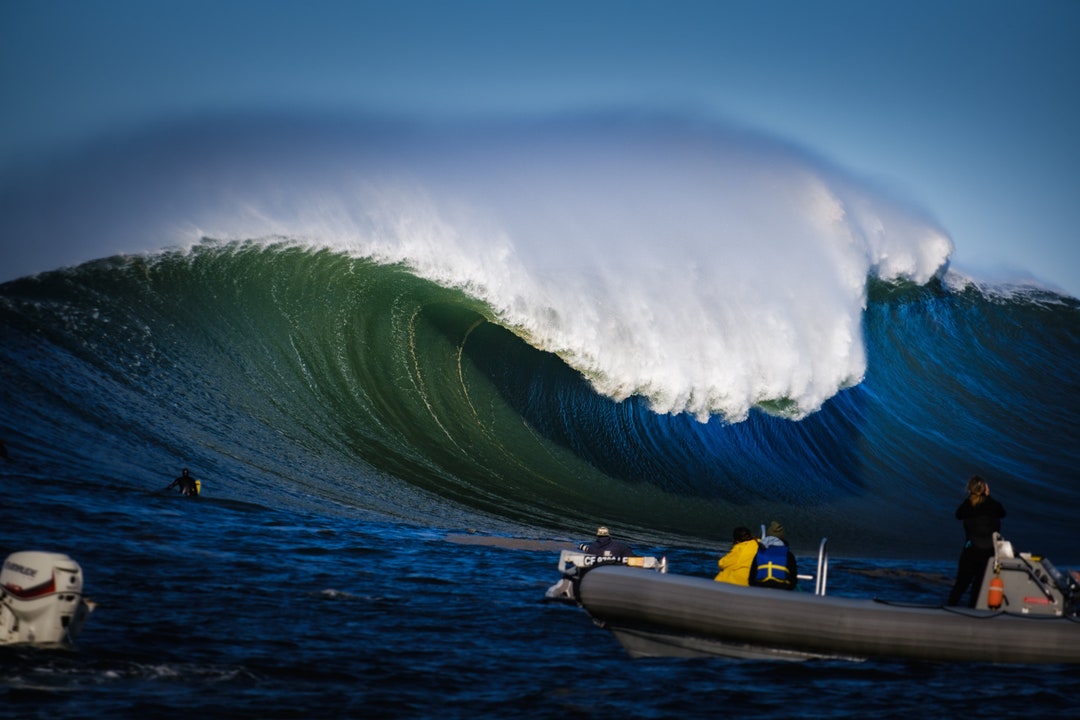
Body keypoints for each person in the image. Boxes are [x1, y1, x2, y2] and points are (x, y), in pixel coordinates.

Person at [947, 475, 1006, 607]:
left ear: (970, 490)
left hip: (971, 549)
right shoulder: (993, 505)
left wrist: (970, 497)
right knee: (978, 585)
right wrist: (987, 496)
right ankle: (972, 612)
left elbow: (958, 515)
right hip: (989, 552)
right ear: (986, 489)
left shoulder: (968, 505)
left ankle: (949, 609)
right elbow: (1002, 513)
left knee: (961, 584)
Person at [749, 520, 798, 590]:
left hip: (760, 587)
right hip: (782, 588)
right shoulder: (788, 555)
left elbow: (751, 577)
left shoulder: (760, 552)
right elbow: (793, 578)